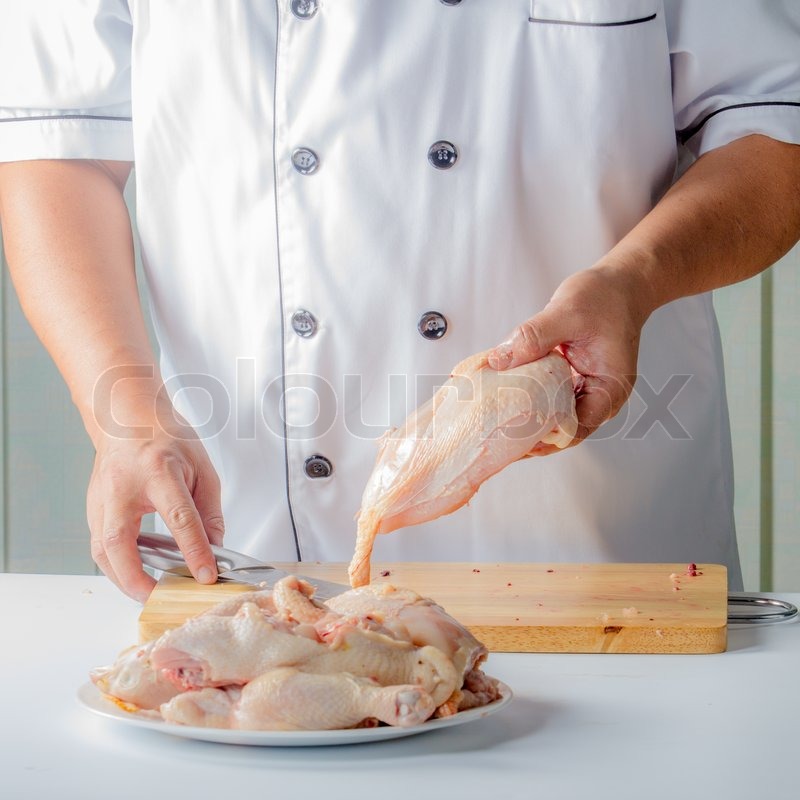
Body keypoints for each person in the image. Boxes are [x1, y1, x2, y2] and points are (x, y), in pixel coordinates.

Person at [0, 1, 798, 602]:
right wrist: (128, 416)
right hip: (256, 556)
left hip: (598, 547)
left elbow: (774, 125)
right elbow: (55, 148)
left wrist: (634, 279)